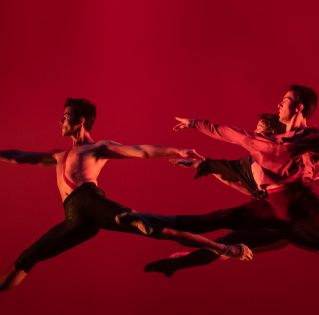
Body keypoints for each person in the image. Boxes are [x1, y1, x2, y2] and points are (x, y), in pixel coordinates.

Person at [118, 85, 319, 298]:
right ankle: (146, 223)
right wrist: (194, 123)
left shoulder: (309, 137)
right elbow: (226, 133)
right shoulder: (259, 144)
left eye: (285, 101)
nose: (278, 105)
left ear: (299, 107)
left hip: (300, 205)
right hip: (270, 207)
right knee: (213, 221)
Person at [0, 97, 252, 293]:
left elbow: (139, 151)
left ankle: (224, 248)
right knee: (27, 258)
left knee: (158, 230)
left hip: (91, 203)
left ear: (81, 121)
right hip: (74, 219)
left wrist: (177, 149)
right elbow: (20, 157)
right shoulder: (58, 155)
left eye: (65, 117)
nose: (60, 121)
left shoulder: (97, 148)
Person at [145, 114, 319, 280]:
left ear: (273, 133)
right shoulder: (245, 163)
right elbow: (220, 168)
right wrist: (197, 163)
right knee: (224, 245)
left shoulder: (286, 155)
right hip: (269, 219)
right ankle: (175, 265)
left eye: (261, 127)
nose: (256, 130)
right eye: (257, 128)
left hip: (292, 219)